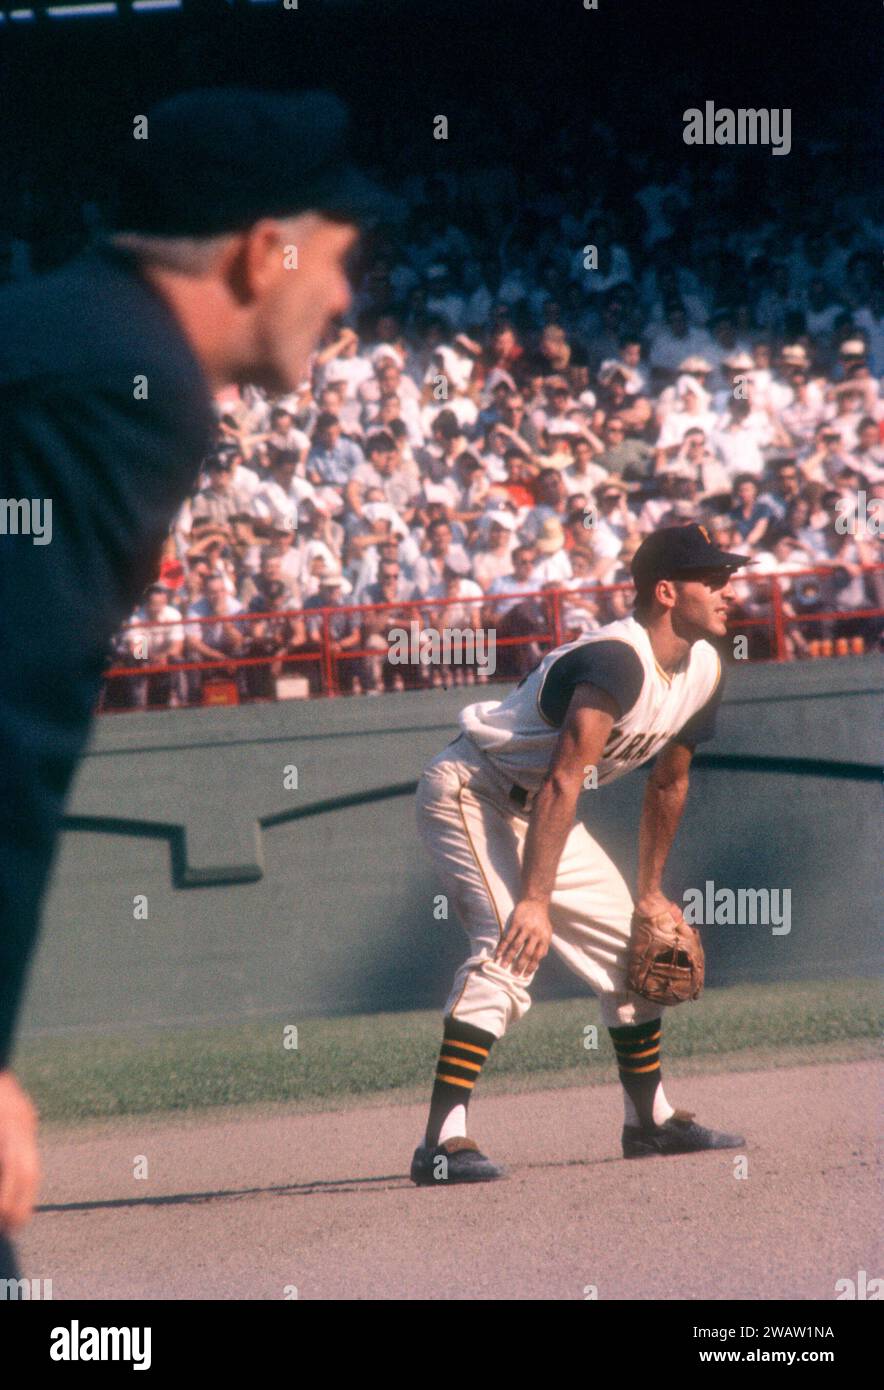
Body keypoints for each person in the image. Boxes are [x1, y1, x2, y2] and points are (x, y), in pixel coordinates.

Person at [0, 86, 391, 1256]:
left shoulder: (68, 335)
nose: (341, 295)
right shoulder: (120, 385)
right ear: (261, 250)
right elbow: (9, 733)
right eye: (333, 257)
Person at [410, 524, 748, 1184]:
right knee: (509, 946)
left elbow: (669, 781)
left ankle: (648, 1122)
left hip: (538, 807)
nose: (727, 591)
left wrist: (650, 892)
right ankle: (441, 1144)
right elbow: (566, 777)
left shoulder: (704, 667)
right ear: (665, 590)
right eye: (712, 579)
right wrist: (534, 902)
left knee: (634, 948)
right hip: (473, 790)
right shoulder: (616, 660)